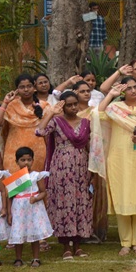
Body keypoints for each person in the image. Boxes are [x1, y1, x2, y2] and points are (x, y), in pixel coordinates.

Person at [94, 77, 136, 255]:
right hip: (119, 159)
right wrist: (111, 95)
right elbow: (98, 115)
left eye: (135, 87)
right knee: (123, 197)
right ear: (123, 91)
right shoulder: (114, 108)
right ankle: (125, 242)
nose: (132, 91)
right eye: (128, 88)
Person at [38, 91, 94, 260]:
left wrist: (91, 169)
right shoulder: (57, 122)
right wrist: (50, 114)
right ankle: (65, 246)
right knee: (65, 203)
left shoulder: (86, 123)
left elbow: (90, 146)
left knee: (79, 202)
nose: (73, 107)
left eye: (75, 104)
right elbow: (39, 132)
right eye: (68, 105)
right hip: (62, 167)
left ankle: (77, 245)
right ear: (62, 105)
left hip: (81, 166)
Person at [5, 146, 52, 267]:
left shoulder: (37, 175)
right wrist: (9, 213)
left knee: (34, 232)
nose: (26, 162)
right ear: (17, 162)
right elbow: (10, 196)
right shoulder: (15, 178)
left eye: (29, 160)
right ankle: (18, 258)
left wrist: (36, 198)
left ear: (33, 160)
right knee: (18, 232)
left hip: (33, 208)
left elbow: (43, 192)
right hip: (18, 208)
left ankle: (36, 258)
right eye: (22, 160)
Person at [0, 74, 46, 171]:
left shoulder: (45, 106)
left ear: (34, 87)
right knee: (13, 184)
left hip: (37, 152)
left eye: (29, 86)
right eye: (22, 87)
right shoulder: (11, 106)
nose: (26, 90)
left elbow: (48, 133)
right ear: (17, 89)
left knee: (35, 183)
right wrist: (5, 102)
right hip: (13, 152)